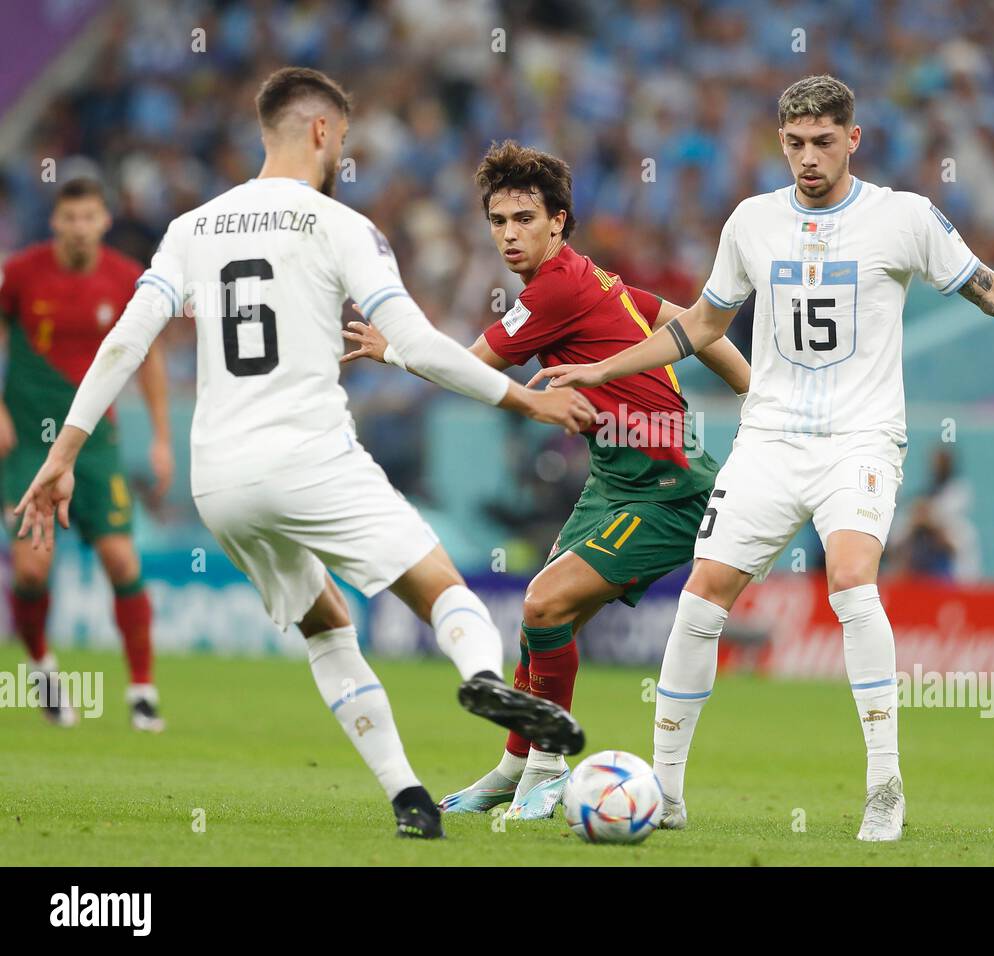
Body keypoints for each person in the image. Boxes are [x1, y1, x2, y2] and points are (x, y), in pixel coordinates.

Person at [536, 75, 994, 842]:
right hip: (769, 440)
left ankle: (885, 788)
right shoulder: (752, 222)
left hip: (860, 438)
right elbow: (700, 326)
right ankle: (671, 792)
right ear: (778, 142)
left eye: (824, 141)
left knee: (851, 578)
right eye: (794, 143)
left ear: (854, 139)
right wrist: (600, 369)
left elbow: (986, 289)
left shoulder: (903, 217)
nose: (809, 157)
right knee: (702, 595)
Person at [14, 67, 596, 841]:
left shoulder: (192, 226)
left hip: (219, 479)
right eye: (344, 139)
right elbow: (417, 344)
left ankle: (407, 798)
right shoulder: (339, 226)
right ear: (324, 132)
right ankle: (483, 677)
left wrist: (64, 452)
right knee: (440, 589)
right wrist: (529, 398)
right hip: (310, 457)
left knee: (324, 624)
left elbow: (127, 339)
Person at [341, 141, 750, 819]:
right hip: (616, 479)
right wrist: (751, 387)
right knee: (542, 623)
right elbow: (679, 319)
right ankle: (513, 767)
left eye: (524, 218)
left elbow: (472, 369)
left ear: (558, 221)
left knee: (541, 607)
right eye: (498, 220)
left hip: (664, 486)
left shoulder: (559, 288)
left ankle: (549, 767)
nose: (509, 234)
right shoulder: (590, 279)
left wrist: (396, 352)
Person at [0, 177, 173, 730]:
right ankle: (43, 668)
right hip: (28, 443)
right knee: (31, 570)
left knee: (121, 559)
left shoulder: (126, 279)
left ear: (104, 221)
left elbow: (148, 357)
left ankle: (142, 691)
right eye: (68, 217)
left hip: (97, 446)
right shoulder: (21, 273)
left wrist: (164, 439)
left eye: (89, 217)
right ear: (55, 221)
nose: (78, 227)